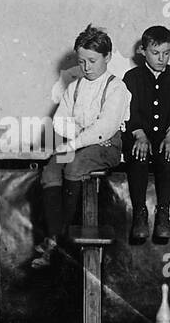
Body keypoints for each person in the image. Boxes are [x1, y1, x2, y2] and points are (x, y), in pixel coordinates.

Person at [31, 24, 130, 268]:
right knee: (52, 169)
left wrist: (75, 141)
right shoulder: (75, 87)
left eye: (92, 61)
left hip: (105, 147)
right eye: (82, 61)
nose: (86, 67)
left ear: (107, 57)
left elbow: (104, 129)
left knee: (73, 166)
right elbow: (60, 122)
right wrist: (75, 137)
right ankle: (53, 236)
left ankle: (62, 237)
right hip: (79, 145)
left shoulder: (116, 87)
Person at [122, 25, 170, 243]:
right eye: (156, 53)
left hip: (166, 136)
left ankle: (163, 214)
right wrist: (139, 135)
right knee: (138, 156)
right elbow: (130, 112)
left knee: (167, 156)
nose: (162, 58)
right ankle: (140, 214)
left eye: (166, 53)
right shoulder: (132, 77)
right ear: (143, 51)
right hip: (138, 135)